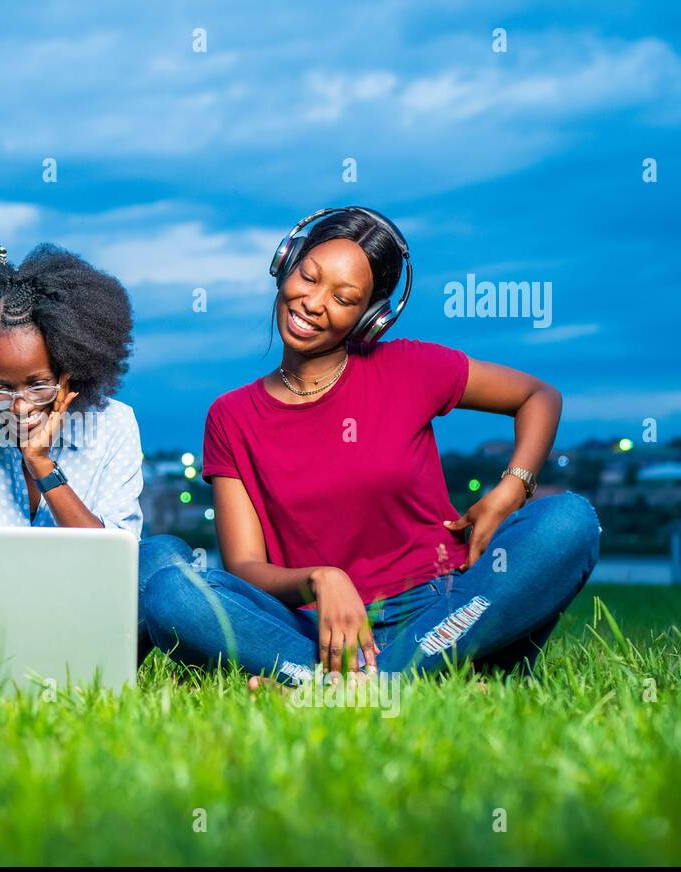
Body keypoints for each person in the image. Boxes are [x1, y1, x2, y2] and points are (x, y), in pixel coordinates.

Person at [141, 207, 600, 687]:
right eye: (309, 277)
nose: (314, 303)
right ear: (285, 265)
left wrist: (513, 488)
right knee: (173, 592)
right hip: (316, 626)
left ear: (371, 317)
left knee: (569, 519)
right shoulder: (230, 415)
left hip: (443, 604)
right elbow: (245, 566)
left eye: (343, 298)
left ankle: (352, 685)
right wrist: (318, 578)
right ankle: (417, 681)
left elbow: (538, 396)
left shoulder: (412, 367)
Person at [0, 244, 188, 658]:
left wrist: (42, 464)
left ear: (71, 368)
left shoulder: (114, 424)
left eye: (38, 384)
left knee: (162, 557)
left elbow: (110, 565)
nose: (20, 406)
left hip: (85, 617)